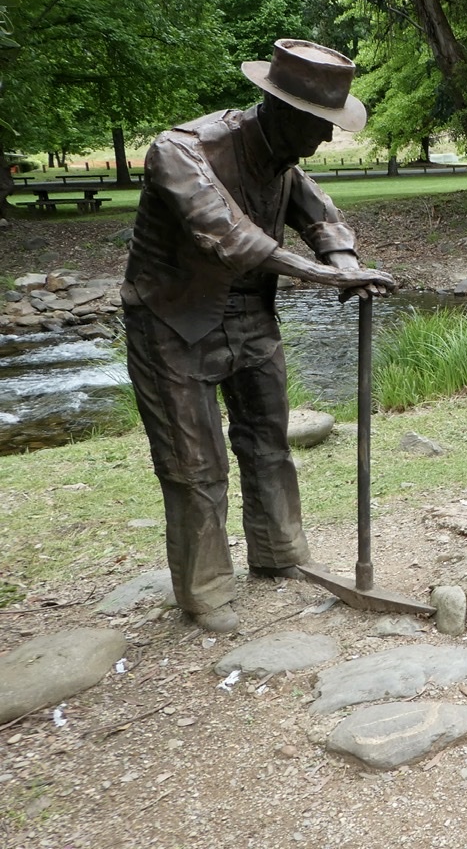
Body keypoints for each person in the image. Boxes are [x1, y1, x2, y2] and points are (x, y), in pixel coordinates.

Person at [122, 39, 395, 633]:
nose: (326, 139)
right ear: (283, 111)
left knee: (268, 440)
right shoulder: (181, 151)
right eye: (321, 125)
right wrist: (319, 274)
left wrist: (345, 262)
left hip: (249, 315)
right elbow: (223, 233)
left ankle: (279, 554)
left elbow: (320, 214)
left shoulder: (284, 162)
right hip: (174, 322)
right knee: (194, 464)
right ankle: (205, 591)